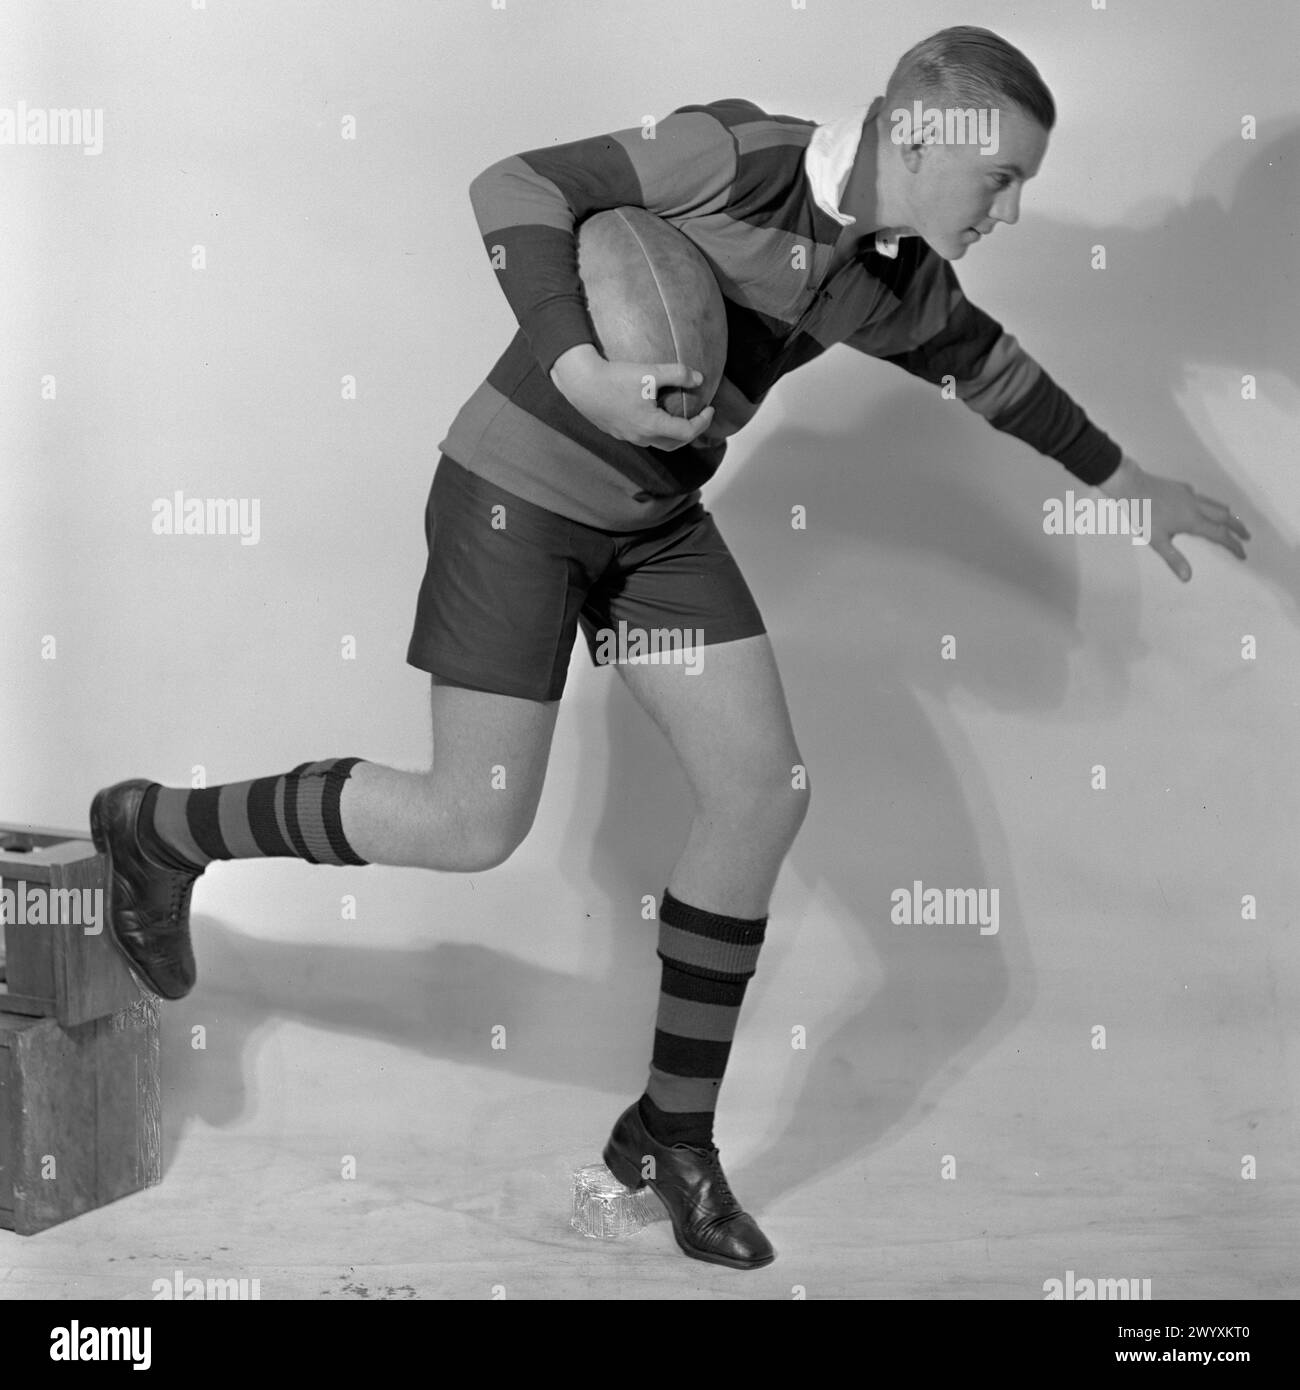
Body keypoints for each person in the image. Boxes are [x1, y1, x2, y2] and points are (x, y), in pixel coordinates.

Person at [89, 25, 1250, 1272]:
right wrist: (579, 367)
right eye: (1000, 177)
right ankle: (156, 830)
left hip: (652, 528)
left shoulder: (899, 281)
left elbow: (1001, 375)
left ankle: (663, 1138)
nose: (1010, 210)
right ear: (920, 132)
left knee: (760, 792)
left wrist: (1133, 488)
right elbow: (517, 187)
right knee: (469, 824)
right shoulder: (734, 151)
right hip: (518, 494)